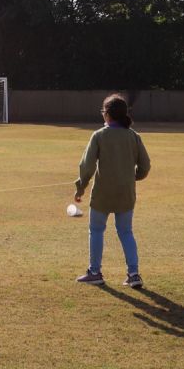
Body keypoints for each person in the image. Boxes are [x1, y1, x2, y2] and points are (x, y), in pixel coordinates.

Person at [73, 93, 151, 288]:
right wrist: (135, 177)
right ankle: (134, 273)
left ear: (107, 114)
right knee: (126, 231)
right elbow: (145, 165)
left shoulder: (99, 135)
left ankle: (94, 271)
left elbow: (87, 166)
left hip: (102, 194)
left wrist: (81, 187)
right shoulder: (133, 136)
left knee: (96, 230)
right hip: (126, 193)